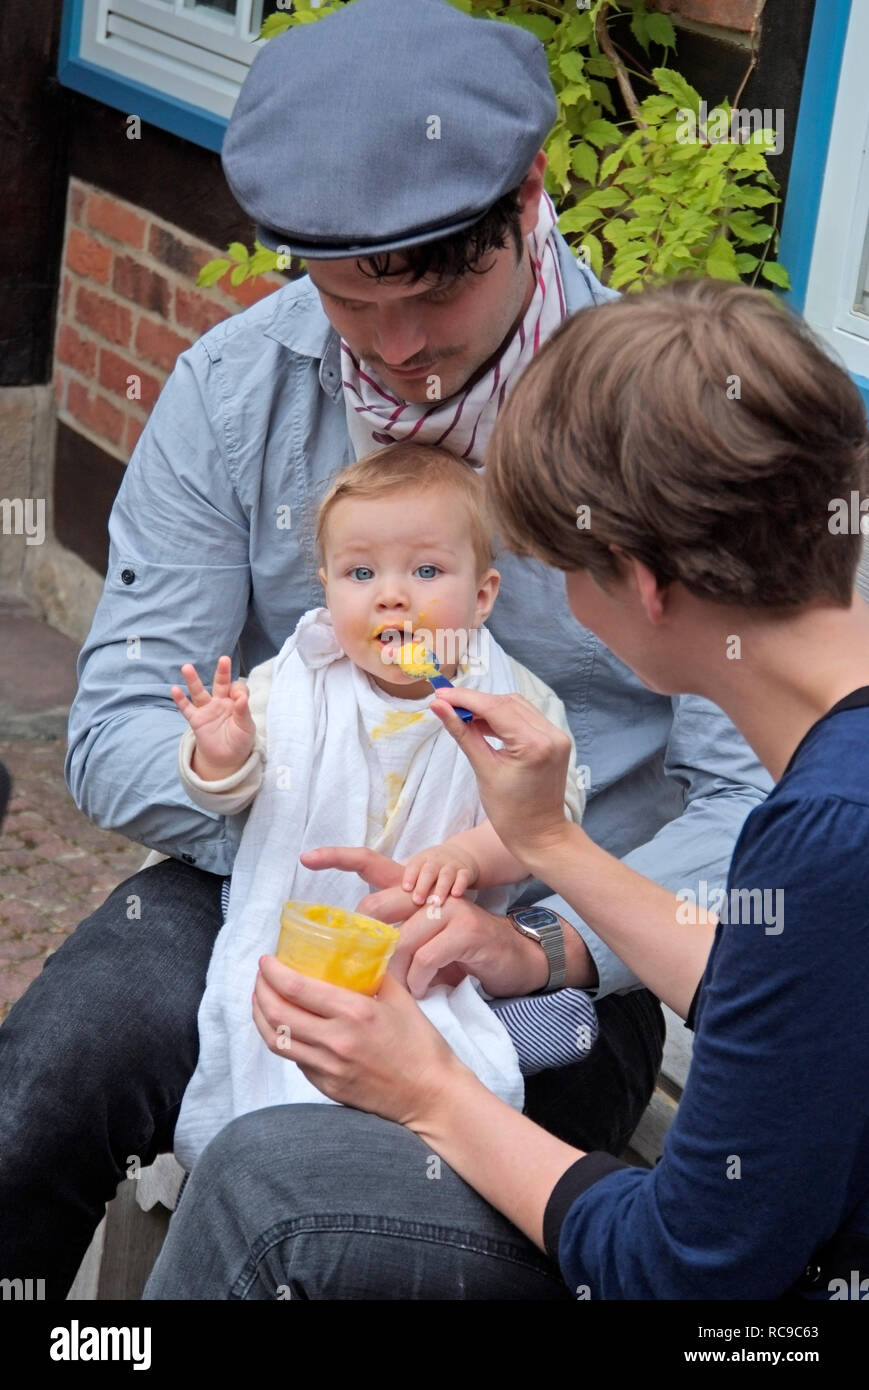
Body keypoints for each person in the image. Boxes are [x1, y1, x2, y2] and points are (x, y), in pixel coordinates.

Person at [0, 0, 766, 1297]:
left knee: (335, 1212)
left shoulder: (675, 425)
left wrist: (558, 941)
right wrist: (253, 769)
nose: (401, 350)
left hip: (557, 943)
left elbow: (754, 797)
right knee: (39, 1093)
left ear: (528, 196)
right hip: (272, 881)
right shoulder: (230, 392)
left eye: (443, 294)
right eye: (352, 295)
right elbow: (120, 719)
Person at [143, 277, 869, 1301]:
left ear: (641, 581)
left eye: (562, 568)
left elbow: (684, 1268)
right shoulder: (837, 783)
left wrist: (427, 1087)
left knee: (263, 1185)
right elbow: (790, 999)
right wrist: (549, 846)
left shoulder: (826, 834)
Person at [169, 443, 596, 1170]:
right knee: (265, 1030)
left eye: (426, 571)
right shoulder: (295, 685)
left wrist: (466, 854)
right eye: (359, 573)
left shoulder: (514, 705)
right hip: (304, 925)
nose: (390, 596)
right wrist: (223, 752)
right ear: (327, 588)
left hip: (433, 946)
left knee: (454, 1039)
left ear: (482, 594)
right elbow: (236, 794)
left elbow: (549, 822)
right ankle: (264, 1164)